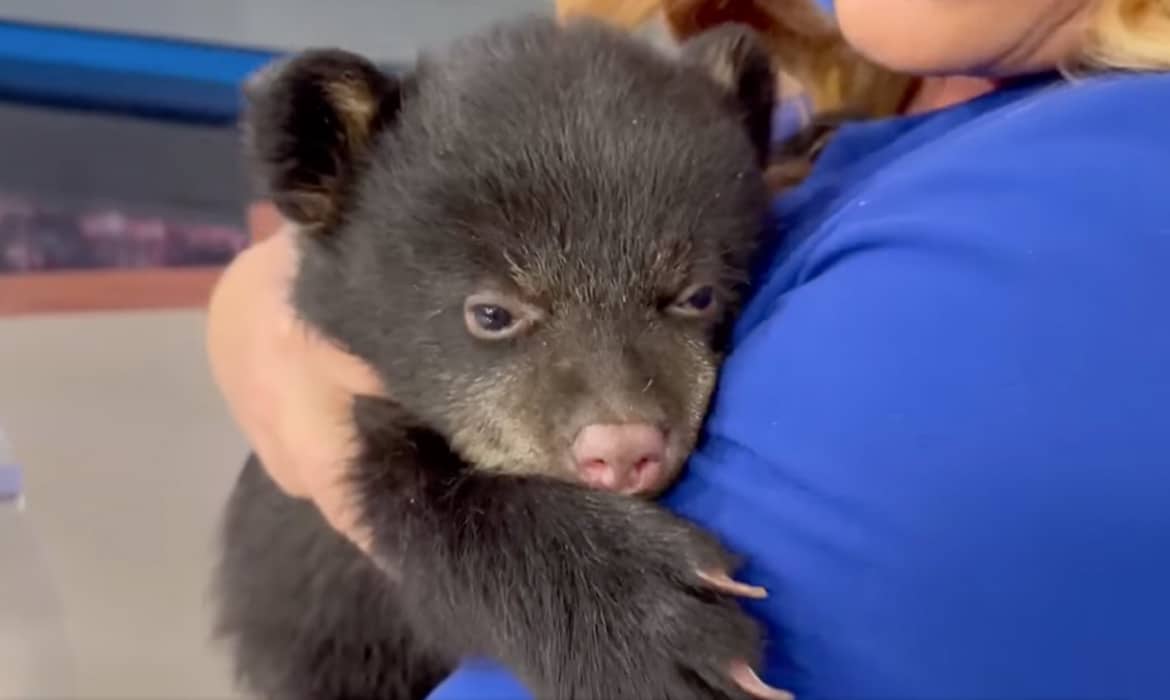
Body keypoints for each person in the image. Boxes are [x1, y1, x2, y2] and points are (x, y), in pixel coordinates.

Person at [206, 0, 1170, 696]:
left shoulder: (1069, 228)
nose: (623, 424)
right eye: (500, 316)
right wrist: (267, 306)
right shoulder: (887, 96)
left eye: (692, 302)